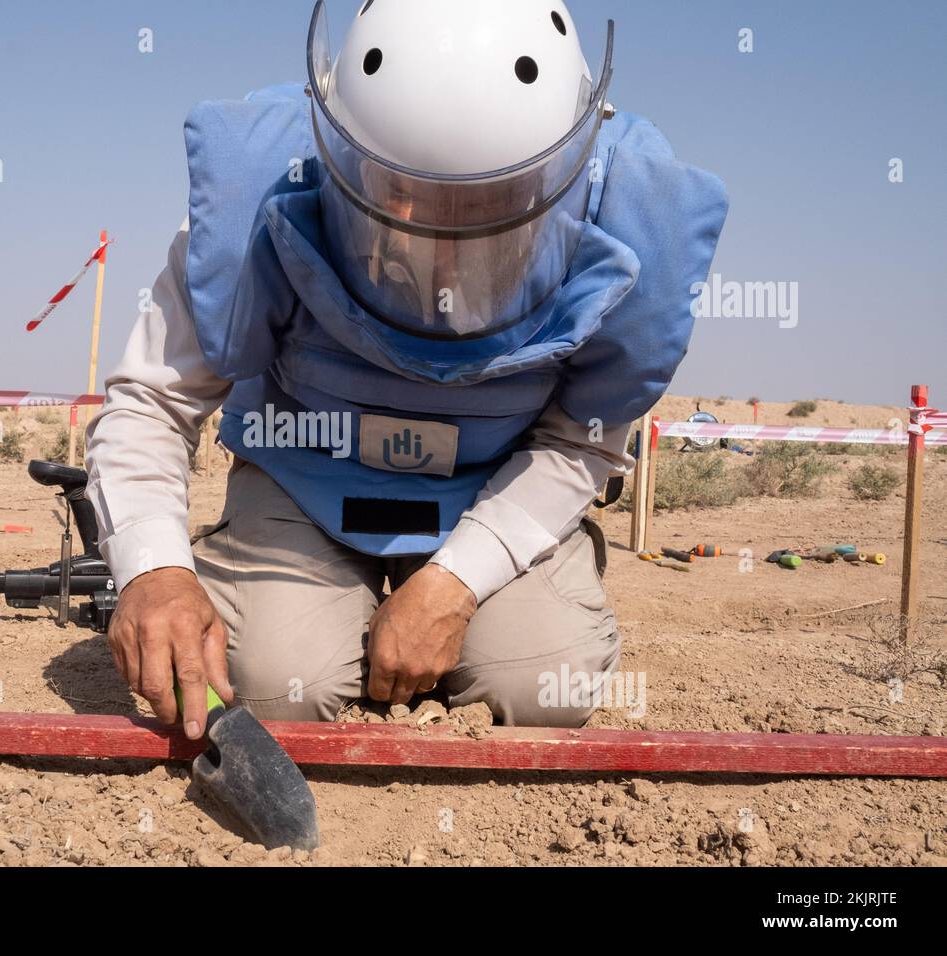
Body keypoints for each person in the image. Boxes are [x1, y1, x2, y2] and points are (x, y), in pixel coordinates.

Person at [85, 0, 728, 740]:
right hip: (305, 479)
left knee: (541, 686)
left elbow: (583, 440)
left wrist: (456, 582)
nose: (444, 260)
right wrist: (153, 569)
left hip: (495, 486)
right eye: (406, 208)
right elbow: (151, 404)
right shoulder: (260, 193)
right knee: (276, 685)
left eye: (489, 216)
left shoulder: (630, 218)